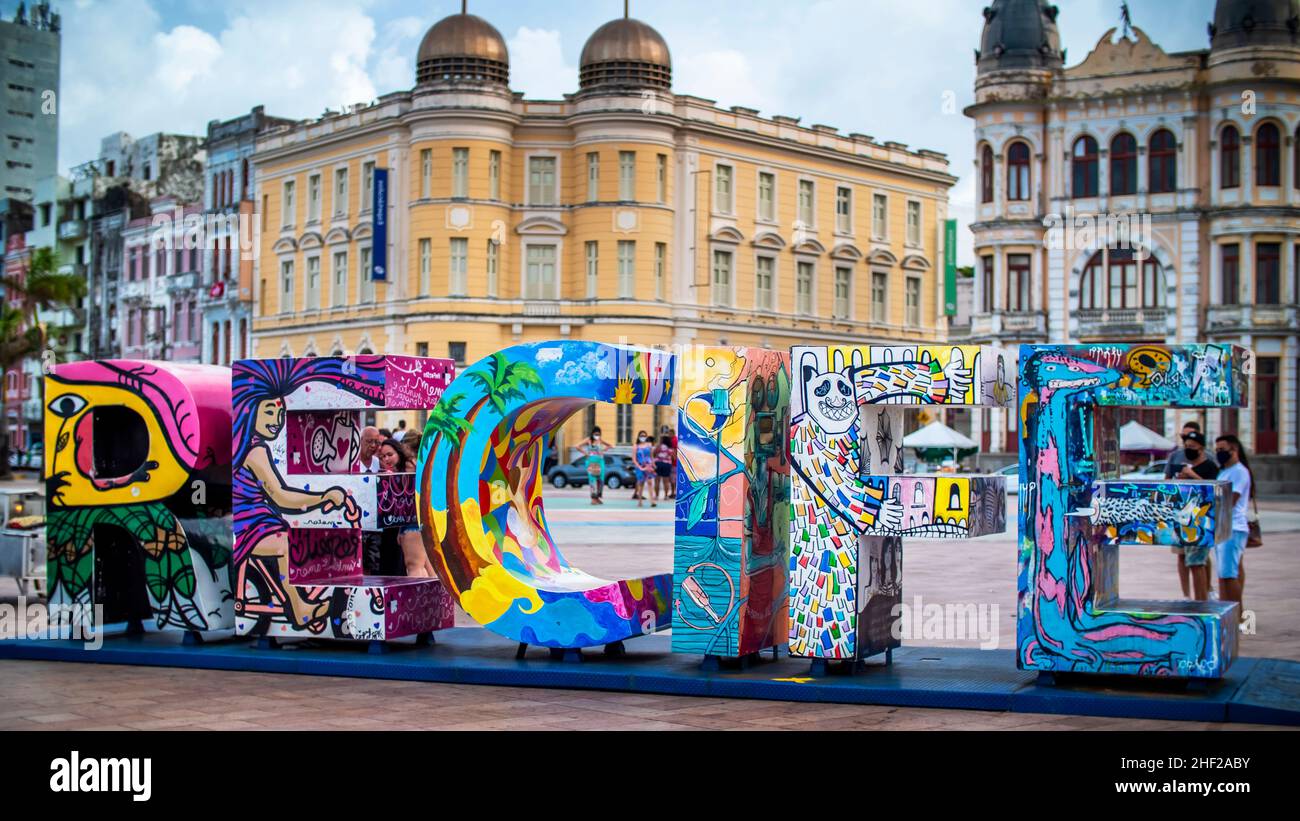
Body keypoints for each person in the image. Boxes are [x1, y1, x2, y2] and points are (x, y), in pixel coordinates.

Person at [377, 437, 436, 578]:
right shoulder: (411, 466)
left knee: (414, 566)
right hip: (417, 521)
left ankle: (417, 593)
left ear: (400, 452)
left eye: (390, 454)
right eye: (382, 457)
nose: (386, 459)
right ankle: (435, 593)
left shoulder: (409, 466)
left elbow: (410, 498)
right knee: (427, 567)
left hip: (414, 521)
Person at [1170, 431, 1219, 601]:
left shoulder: (1210, 467)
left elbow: (1213, 489)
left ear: (1201, 448)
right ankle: (1191, 597)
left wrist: (1192, 475)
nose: (1188, 449)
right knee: (1189, 561)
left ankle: (1202, 600)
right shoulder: (1184, 467)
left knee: (1197, 563)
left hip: (1201, 521)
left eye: (1192, 446)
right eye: (1186, 446)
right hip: (1184, 520)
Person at [1214, 434, 1252, 629]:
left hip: (1234, 528)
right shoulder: (1225, 471)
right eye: (1217, 450)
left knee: (1229, 575)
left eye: (1222, 449)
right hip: (1223, 528)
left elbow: (1231, 499)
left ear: (1234, 450)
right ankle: (1226, 615)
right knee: (1223, 575)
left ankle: (1239, 618)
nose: (1219, 453)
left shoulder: (1239, 472)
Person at [578, 426, 609, 505]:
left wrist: (603, 450)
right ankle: (593, 499)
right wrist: (585, 453)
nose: (597, 435)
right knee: (592, 480)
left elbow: (610, 445)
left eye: (599, 434)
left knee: (600, 480)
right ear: (592, 433)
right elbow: (577, 446)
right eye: (596, 434)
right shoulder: (588, 440)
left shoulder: (600, 440)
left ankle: (597, 497)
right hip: (591, 462)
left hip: (600, 462)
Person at [633, 430, 656, 508]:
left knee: (650, 482)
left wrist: (653, 464)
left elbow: (651, 456)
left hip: (648, 466)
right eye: (641, 436)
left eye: (644, 436)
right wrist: (639, 466)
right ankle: (640, 501)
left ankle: (652, 501)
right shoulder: (636, 446)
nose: (643, 437)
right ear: (639, 436)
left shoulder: (649, 445)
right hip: (640, 466)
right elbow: (634, 459)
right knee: (641, 483)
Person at [653, 434, 675, 500]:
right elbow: (674, 457)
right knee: (666, 481)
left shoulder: (658, 446)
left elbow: (654, 454)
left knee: (657, 481)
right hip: (667, 465)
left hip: (658, 463)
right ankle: (666, 496)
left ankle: (656, 496)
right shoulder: (670, 448)